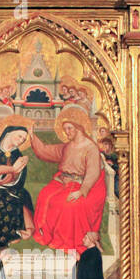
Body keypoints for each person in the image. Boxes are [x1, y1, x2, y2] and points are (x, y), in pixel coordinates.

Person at [29, 108, 107, 256]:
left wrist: (82, 191)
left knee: (67, 204)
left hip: (82, 185)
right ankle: (44, 232)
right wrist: (32, 136)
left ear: (79, 128)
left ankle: (66, 240)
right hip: (62, 181)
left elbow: (93, 172)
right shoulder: (67, 146)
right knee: (44, 195)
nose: (67, 132)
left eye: (70, 128)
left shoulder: (90, 148)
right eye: (65, 129)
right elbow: (46, 151)